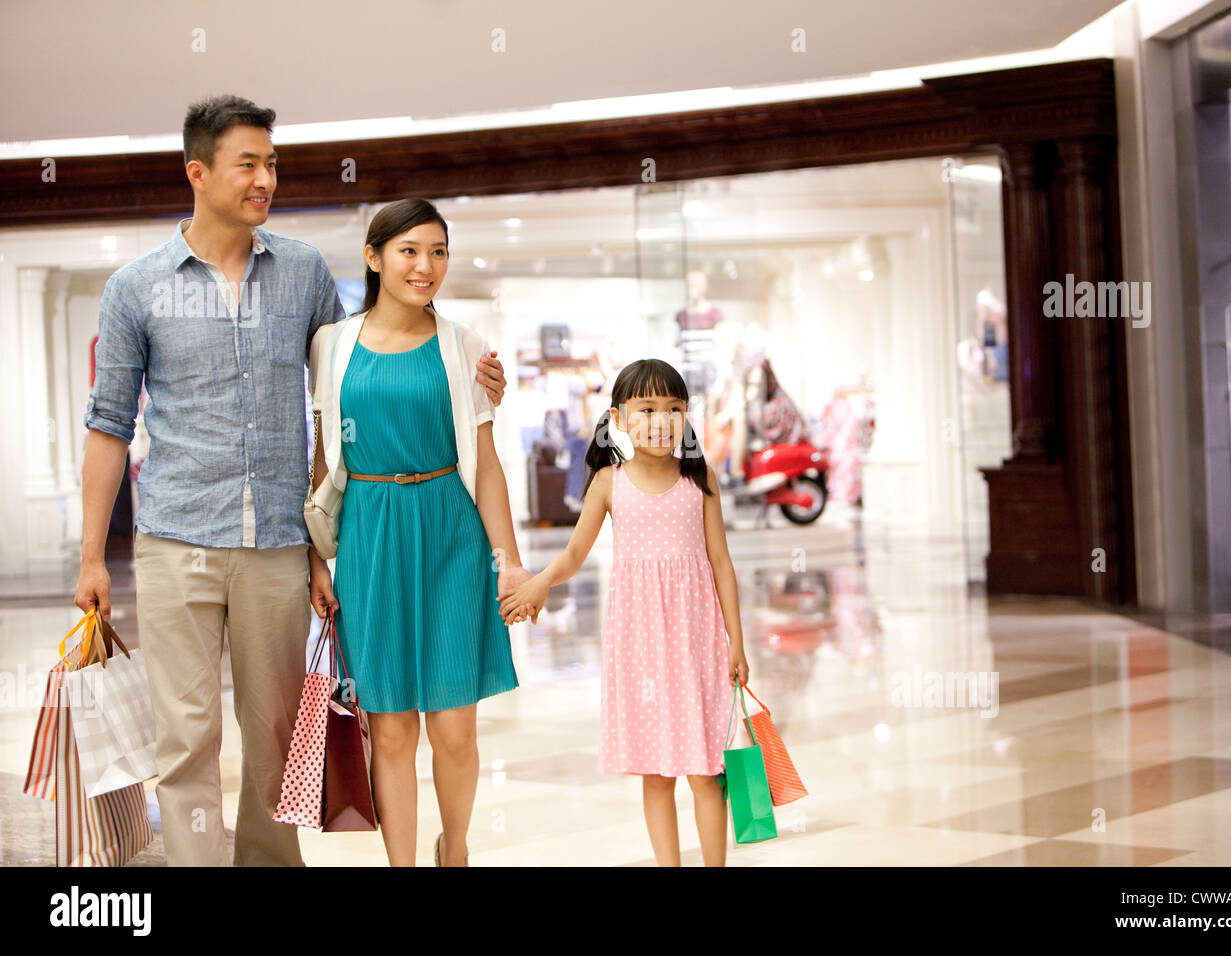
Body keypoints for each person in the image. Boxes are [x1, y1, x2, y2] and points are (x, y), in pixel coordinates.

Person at [73, 95, 509, 867]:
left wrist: (470, 382)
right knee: (186, 738)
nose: (267, 178)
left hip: (277, 543)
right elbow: (109, 425)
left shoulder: (304, 272)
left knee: (274, 737)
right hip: (175, 540)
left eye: (272, 163)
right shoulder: (136, 287)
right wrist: (88, 558)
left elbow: (355, 376)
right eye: (250, 163)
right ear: (198, 172)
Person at [307, 198, 533, 868]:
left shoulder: (465, 344)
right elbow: (323, 459)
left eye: (438, 251)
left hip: (451, 538)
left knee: (455, 729)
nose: (425, 266)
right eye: (409, 250)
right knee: (393, 728)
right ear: (374, 258)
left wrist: (509, 564)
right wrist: (316, 560)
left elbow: (486, 465)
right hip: (371, 537)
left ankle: (454, 847)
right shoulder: (332, 344)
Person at [498, 359, 750, 867]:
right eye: (647, 408)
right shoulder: (609, 483)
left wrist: (736, 642)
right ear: (619, 417)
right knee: (656, 771)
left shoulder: (700, 480)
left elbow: (721, 562)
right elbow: (573, 555)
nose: (662, 419)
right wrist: (539, 584)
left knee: (707, 771)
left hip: (698, 641)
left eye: (674, 408)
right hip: (640, 647)